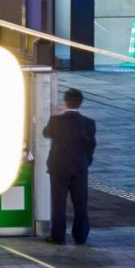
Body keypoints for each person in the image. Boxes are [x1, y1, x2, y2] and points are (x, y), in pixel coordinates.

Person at [45, 87, 98, 245]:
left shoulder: (56, 121)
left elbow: (46, 133)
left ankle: (58, 236)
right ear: (80, 104)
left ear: (65, 102)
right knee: (80, 203)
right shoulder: (89, 123)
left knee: (59, 203)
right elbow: (91, 146)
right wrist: (85, 162)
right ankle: (80, 236)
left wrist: (55, 115)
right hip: (79, 167)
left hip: (59, 167)